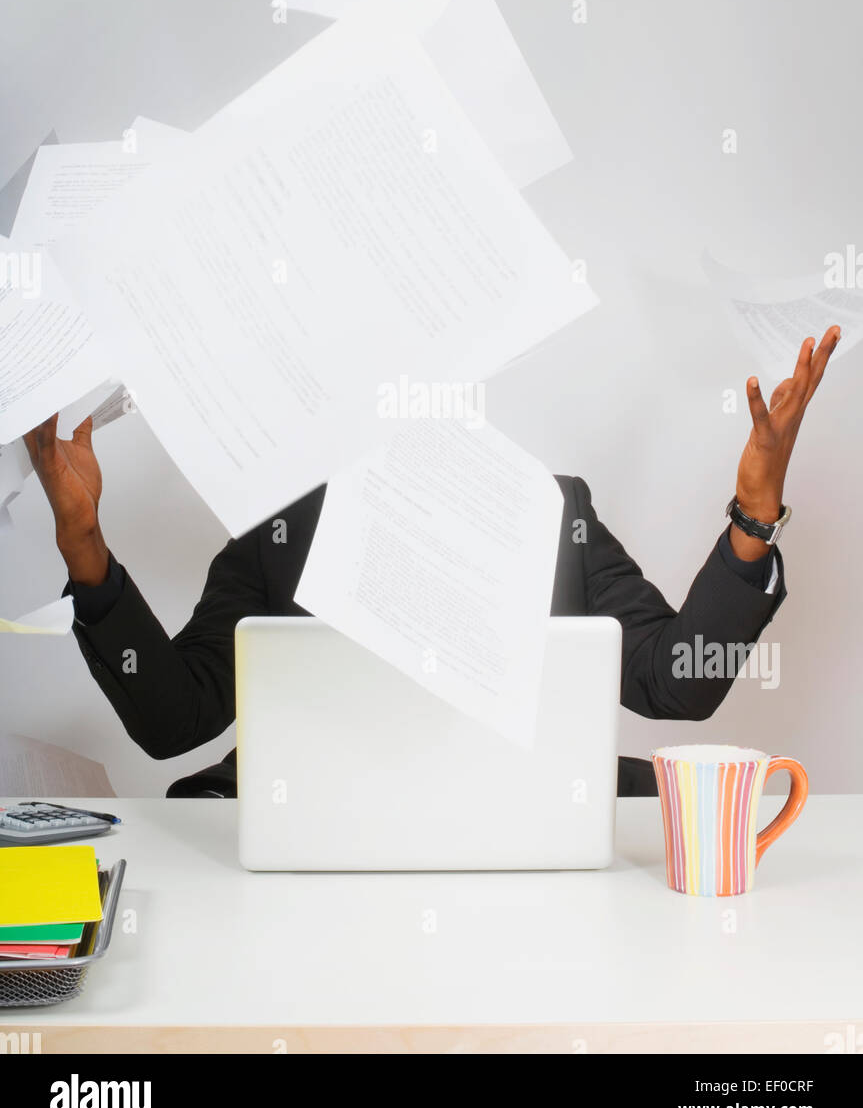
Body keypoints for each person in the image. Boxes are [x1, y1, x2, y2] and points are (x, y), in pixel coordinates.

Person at [24, 329, 841, 797]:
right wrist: (85, 549)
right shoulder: (281, 530)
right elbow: (176, 723)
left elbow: (679, 682)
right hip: (318, 833)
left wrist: (753, 514)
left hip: (523, 824)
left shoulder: (552, 513)